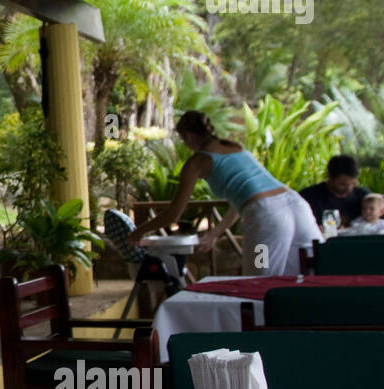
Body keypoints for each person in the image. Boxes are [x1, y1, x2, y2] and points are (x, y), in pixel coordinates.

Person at [128, 112, 321, 276]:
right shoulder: (236, 148)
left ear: (188, 135)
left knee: (259, 279)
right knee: (310, 273)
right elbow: (244, 200)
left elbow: (173, 215)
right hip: (297, 206)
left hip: (267, 219)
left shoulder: (197, 162)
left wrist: (139, 231)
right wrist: (215, 233)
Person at [298, 155, 372, 227]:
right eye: (342, 184)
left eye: (353, 183)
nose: (349, 188)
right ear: (329, 176)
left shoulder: (365, 197)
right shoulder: (308, 197)